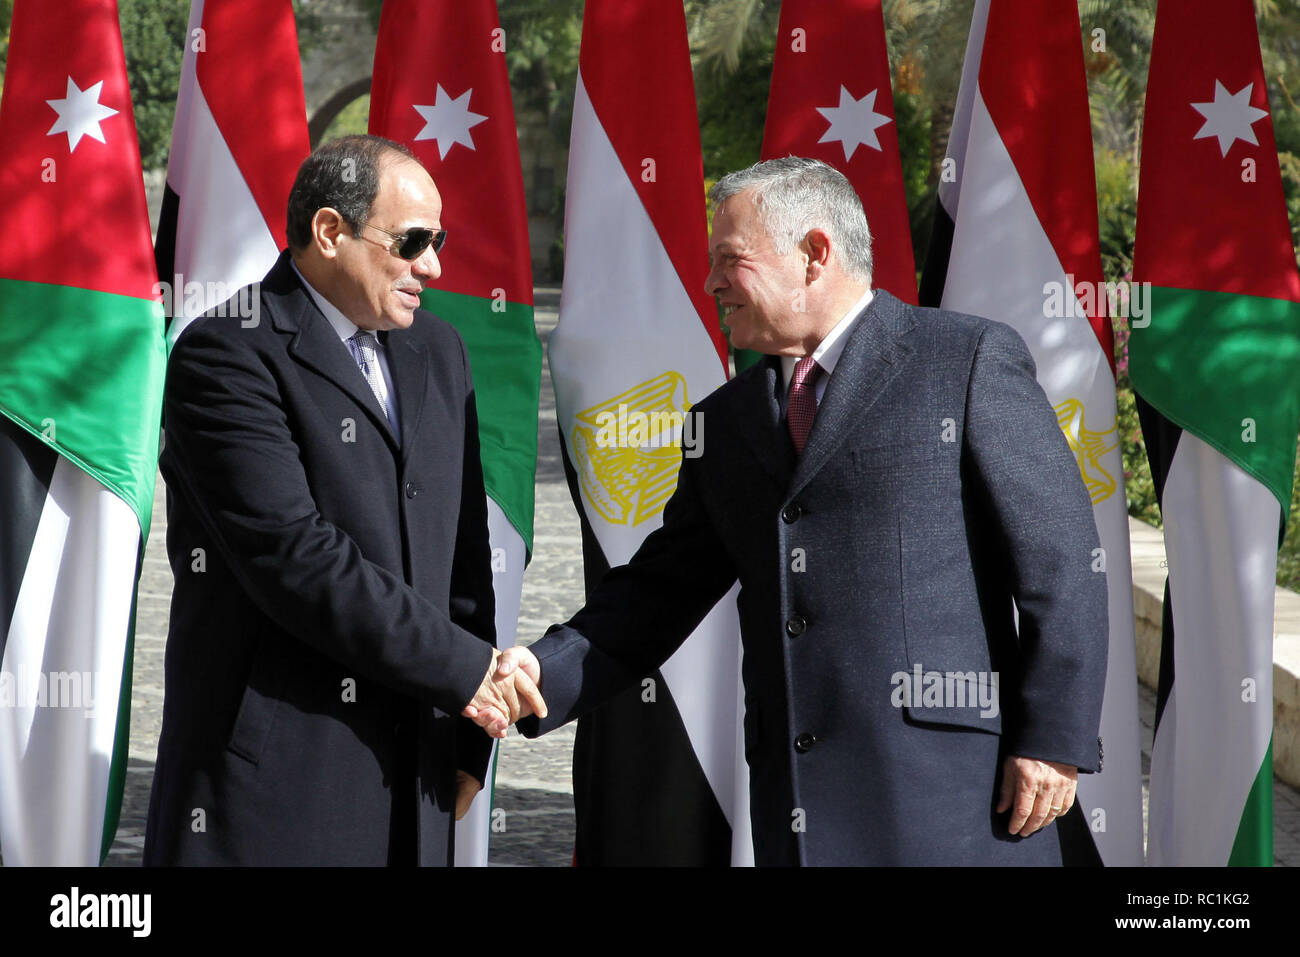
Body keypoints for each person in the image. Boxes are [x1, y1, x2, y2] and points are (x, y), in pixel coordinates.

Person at [469, 157, 1107, 866]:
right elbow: (657, 592)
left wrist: (1052, 740)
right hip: (797, 811)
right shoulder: (726, 421)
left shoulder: (963, 361)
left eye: (730, 260)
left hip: (954, 804)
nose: (712, 282)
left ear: (814, 254)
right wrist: (536, 671)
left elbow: (1061, 561)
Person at [144, 135, 543, 866]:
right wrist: (467, 670)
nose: (434, 265)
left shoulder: (440, 350)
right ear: (330, 232)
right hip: (281, 783)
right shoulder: (227, 351)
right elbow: (295, 557)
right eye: (412, 241)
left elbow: (460, 555)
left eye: (439, 240)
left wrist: (464, 740)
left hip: (418, 773)